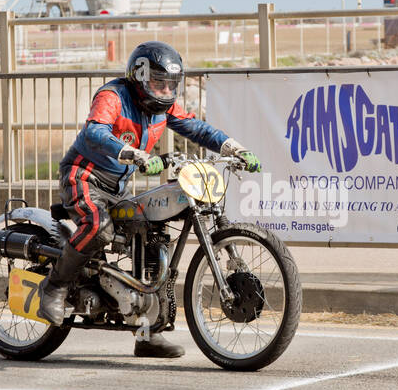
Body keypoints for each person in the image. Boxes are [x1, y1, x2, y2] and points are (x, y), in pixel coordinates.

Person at [38, 40, 261, 358]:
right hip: (83, 177)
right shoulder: (112, 96)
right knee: (98, 226)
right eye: (159, 82)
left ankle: (147, 334)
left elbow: (196, 127)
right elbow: (95, 132)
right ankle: (55, 286)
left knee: (154, 240)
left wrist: (233, 148)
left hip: (119, 187)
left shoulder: (165, 107)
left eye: (171, 84)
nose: (166, 90)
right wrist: (132, 153)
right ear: (140, 77)